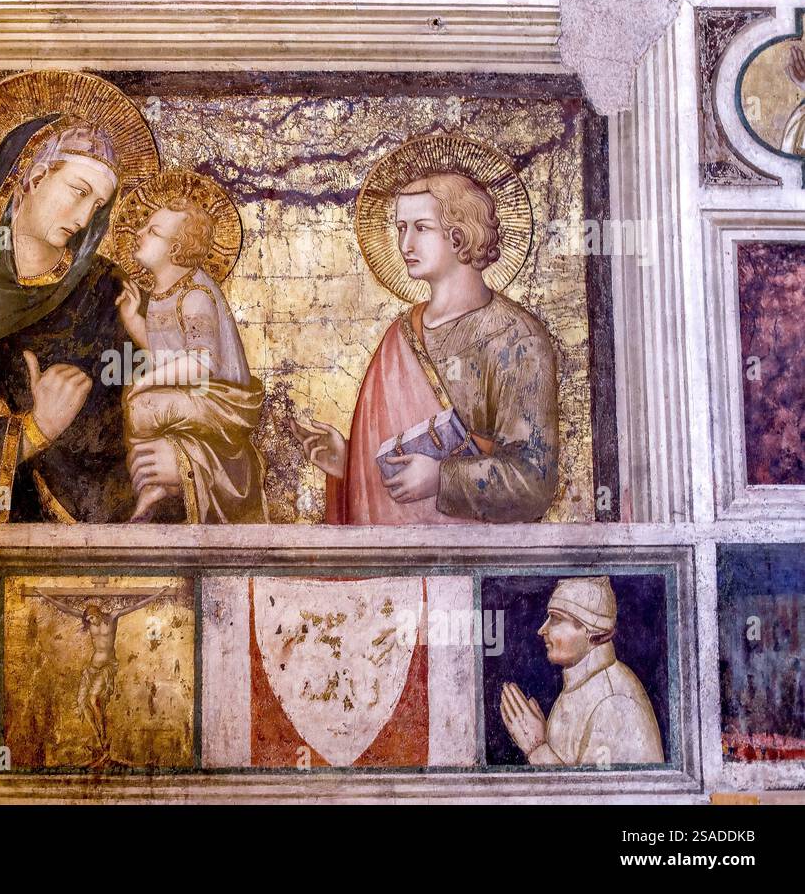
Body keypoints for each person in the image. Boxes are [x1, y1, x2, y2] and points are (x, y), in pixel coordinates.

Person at [0, 118, 186, 523]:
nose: (85, 217)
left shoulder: (111, 292)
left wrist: (181, 461)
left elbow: (190, 394)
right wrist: (36, 430)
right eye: (79, 192)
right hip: (11, 542)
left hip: (117, 536)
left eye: (98, 205)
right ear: (34, 178)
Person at [292, 171, 558, 524]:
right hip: (399, 559)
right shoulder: (400, 336)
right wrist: (351, 464)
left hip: (476, 561)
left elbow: (533, 481)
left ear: (460, 234)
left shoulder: (516, 338)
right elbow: (399, 466)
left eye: (421, 227)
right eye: (401, 228)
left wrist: (441, 479)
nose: (405, 245)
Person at [115, 197, 267, 522]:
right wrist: (135, 323)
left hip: (222, 402)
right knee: (139, 403)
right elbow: (168, 357)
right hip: (196, 395)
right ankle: (154, 486)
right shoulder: (164, 291)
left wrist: (147, 380)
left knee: (142, 404)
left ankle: (163, 481)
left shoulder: (195, 295)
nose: (139, 232)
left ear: (177, 249)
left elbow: (201, 363)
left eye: (153, 231)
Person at [500, 576, 664, 766]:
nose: (542, 630)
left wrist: (536, 748)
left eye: (556, 618)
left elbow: (592, 794)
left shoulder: (614, 702)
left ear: (591, 631)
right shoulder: (582, 685)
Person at [37, 587, 167, 764]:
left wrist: (157, 595)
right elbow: (66, 609)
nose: (91, 621)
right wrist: (45, 595)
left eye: (92, 617)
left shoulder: (112, 617)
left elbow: (136, 606)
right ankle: (99, 740)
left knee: (93, 699)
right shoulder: (90, 622)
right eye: (88, 620)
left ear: (97, 613)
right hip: (92, 668)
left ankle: (104, 737)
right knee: (83, 704)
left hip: (106, 666)